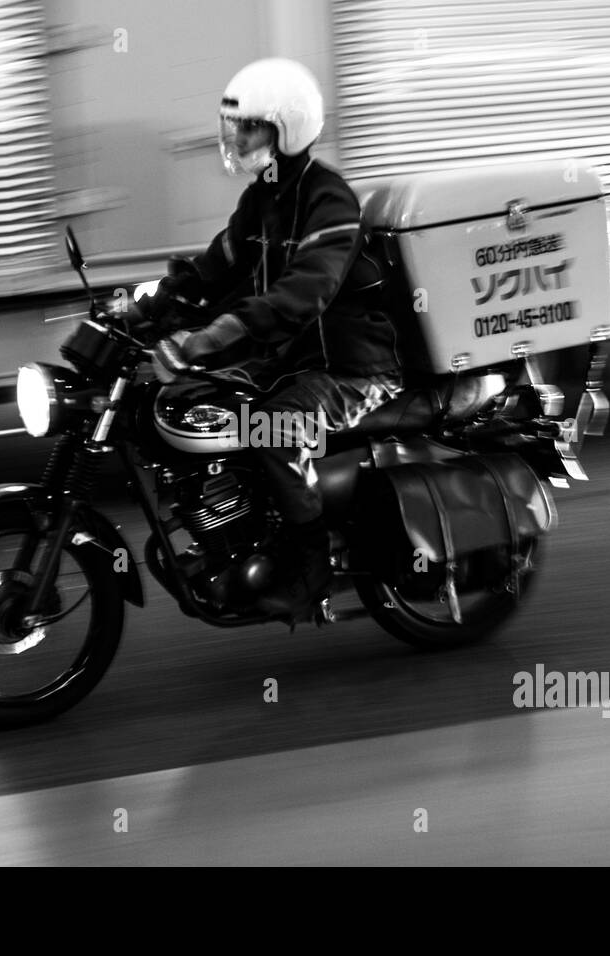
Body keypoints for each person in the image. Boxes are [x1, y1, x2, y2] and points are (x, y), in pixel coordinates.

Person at [131, 58, 405, 623]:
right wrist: (148, 308)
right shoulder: (263, 198)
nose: (238, 139)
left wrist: (208, 339)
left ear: (287, 129)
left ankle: (309, 568)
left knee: (275, 432)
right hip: (291, 361)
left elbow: (302, 294)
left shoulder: (328, 201)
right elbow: (215, 269)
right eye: (235, 127)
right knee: (198, 404)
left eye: (250, 127)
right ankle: (237, 532)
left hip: (351, 369)